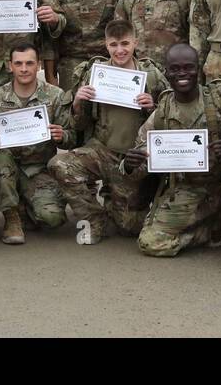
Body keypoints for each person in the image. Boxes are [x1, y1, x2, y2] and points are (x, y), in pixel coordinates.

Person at [130, 43, 221, 269]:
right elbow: (142, 155)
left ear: (199, 69)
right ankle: (213, 230)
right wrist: (132, 163)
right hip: (190, 187)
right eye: (175, 69)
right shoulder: (162, 112)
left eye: (188, 68)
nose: (182, 74)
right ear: (167, 73)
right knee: (151, 243)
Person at [49, 19, 169, 240]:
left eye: (125, 43)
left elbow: (171, 119)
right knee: (60, 165)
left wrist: (153, 107)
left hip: (133, 159)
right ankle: (95, 218)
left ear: (135, 42)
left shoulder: (151, 75)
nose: (120, 50)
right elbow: (78, 127)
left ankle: (115, 197)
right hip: (101, 151)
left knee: (130, 227)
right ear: (106, 45)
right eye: (114, 45)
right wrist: (77, 103)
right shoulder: (95, 73)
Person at [0, 43, 76, 243]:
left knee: (52, 219)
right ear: (10, 66)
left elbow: (72, 136)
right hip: (6, 168)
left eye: (29, 63)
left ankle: (25, 205)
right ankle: (11, 217)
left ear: (38, 65)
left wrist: (62, 136)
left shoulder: (55, 96)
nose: (24, 68)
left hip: (39, 169)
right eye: (19, 63)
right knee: (0, 157)